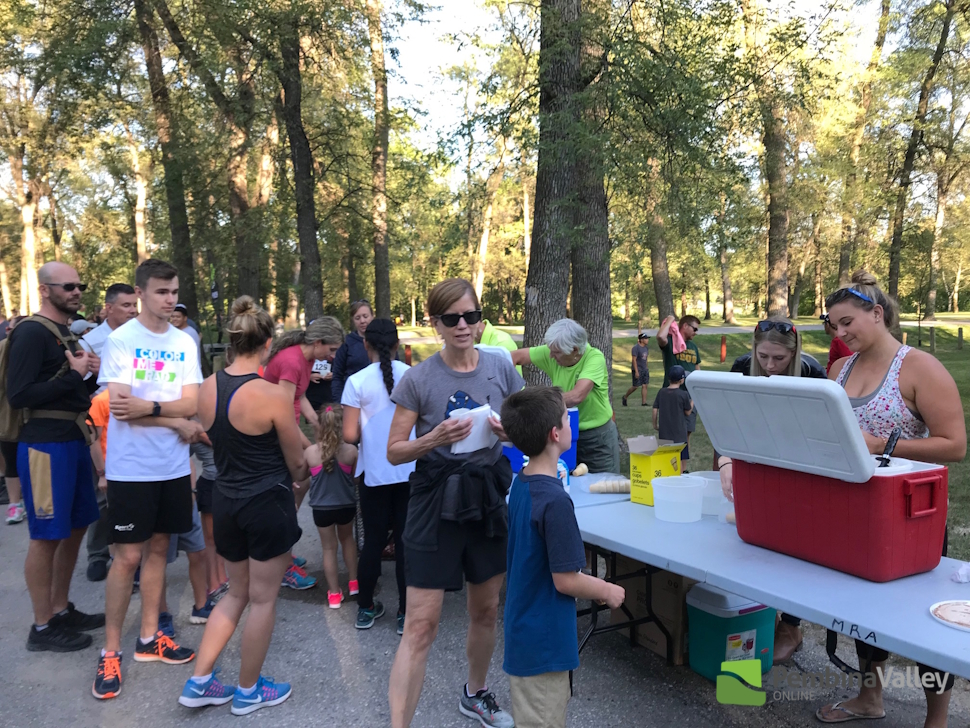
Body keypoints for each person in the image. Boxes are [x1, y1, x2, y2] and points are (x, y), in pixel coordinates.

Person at [815, 272, 966, 727]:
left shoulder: (919, 367)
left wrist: (882, 444)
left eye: (847, 323)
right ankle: (870, 697)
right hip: (856, 508)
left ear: (876, 314)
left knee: (923, 620)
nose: (840, 335)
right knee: (864, 608)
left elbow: (954, 446)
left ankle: (936, 718)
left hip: (912, 514)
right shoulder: (840, 369)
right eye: (833, 327)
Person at [386, 278, 523, 728]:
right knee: (421, 625)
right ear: (435, 324)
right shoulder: (418, 378)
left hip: (485, 495)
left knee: (485, 609)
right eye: (451, 318)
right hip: (434, 501)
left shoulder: (502, 369)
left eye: (470, 315)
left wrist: (511, 433)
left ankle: (476, 693)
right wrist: (433, 437)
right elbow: (393, 450)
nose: (463, 325)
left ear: (480, 319)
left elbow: (526, 426)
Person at [177, 295, 310, 715]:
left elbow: (215, 438)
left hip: (226, 498)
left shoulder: (208, 386)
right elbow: (294, 461)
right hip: (265, 502)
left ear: (232, 341)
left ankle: (199, 681)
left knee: (235, 594)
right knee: (264, 598)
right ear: (268, 344)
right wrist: (311, 464)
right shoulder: (270, 395)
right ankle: (249, 691)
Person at [93, 258, 206, 700]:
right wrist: (174, 420)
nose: (170, 299)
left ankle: (148, 639)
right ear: (141, 293)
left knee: (160, 549)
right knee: (126, 559)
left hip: (173, 467)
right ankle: (110, 651)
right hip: (131, 468)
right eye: (161, 291)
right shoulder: (122, 340)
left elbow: (190, 403)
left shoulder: (184, 342)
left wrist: (158, 411)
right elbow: (122, 408)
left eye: (174, 291)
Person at [501, 387, 625, 728]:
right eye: (565, 420)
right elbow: (566, 578)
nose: (571, 425)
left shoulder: (523, 484)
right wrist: (607, 590)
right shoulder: (555, 502)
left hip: (527, 630)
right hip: (543, 642)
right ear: (555, 434)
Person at [6, 261, 104, 653]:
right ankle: (42, 626)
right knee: (46, 535)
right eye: (68, 286)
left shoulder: (67, 331)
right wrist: (73, 375)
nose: (76, 291)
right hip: (45, 445)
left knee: (76, 526)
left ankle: (60, 608)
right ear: (45, 289)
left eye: (79, 284)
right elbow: (20, 394)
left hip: (73, 439)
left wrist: (88, 374)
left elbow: (72, 388)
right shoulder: (30, 332)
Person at [718, 316, 824, 664]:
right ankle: (762, 616)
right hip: (752, 464)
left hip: (798, 470)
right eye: (763, 356)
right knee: (753, 544)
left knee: (794, 550)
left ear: (795, 354)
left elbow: (824, 429)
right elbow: (725, 422)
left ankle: (790, 625)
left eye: (780, 359)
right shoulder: (741, 367)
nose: (770, 365)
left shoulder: (811, 372)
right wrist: (725, 462)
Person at [342, 318, 415, 634]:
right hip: (410, 470)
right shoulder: (412, 376)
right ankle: (405, 613)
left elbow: (348, 435)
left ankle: (365, 608)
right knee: (405, 543)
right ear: (398, 345)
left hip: (373, 472)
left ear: (365, 344)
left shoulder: (356, 381)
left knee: (372, 542)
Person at [263, 316, 345, 591]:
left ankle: (283, 549)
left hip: (287, 427)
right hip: (276, 433)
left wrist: (314, 421)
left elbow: (299, 396)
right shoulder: (291, 360)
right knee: (295, 485)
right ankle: (281, 561)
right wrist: (308, 446)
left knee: (298, 487)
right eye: (331, 350)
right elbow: (283, 412)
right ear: (318, 342)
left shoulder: (306, 358)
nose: (333, 356)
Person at [81, 283, 139, 582]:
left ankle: (133, 551)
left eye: (134, 305)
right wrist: (100, 371)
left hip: (137, 414)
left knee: (135, 488)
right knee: (103, 492)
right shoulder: (90, 340)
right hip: (103, 417)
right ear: (109, 307)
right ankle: (97, 553)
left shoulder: (142, 334)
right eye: (126, 306)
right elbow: (82, 384)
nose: (132, 310)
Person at [511, 319, 619, 474]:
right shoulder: (555, 351)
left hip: (596, 440)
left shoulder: (594, 358)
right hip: (564, 437)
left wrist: (535, 404)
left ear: (575, 350)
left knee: (603, 486)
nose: (550, 356)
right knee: (568, 486)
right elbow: (514, 356)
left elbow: (576, 396)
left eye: (556, 353)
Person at [303, 405, 359, 609]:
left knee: (328, 548)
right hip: (345, 504)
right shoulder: (351, 451)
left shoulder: (310, 453)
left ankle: (334, 594)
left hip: (321, 508)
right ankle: (354, 583)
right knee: (347, 540)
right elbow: (355, 479)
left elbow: (301, 476)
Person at [190, 438, 229, 601]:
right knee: (211, 538)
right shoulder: (193, 421)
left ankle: (222, 578)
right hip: (211, 484)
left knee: (222, 536)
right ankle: (213, 585)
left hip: (229, 482)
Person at [654, 315, 701, 447]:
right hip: (672, 395)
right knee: (670, 434)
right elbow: (660, 337)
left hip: (689, 396)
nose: (696, 333)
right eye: (695, 329)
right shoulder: (671, 342)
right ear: (685, 326)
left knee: (687, 432)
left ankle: (683, 465)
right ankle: (669, 463)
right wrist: (669, 319)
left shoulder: (693, 347)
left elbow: (697, 368)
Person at [3, 315, 27, 524]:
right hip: (7, 414)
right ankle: (14, 503)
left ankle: (29, 501)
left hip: (32, 415)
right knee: (11, 459)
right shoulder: (3, 349)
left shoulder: (35, 349)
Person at [331, 299, 375, 403]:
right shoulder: (346, 342)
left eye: (365, 316)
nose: (362, 321)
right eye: (357, 318)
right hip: (352, 399)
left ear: (372, 316)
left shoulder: (383, 339)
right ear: (353, 320)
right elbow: (337, 375)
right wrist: (339, 401)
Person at [652, 365, 693, 469]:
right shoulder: (683, 394)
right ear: (681, 380)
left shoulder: (661, 392)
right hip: (679, 435)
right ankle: (681, 475)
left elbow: (655, 409)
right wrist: (693, 400)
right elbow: (688, 412)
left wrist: (655, 424)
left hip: (664, 434)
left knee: (666, 461)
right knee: (681, 461)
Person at [622, 332, 650, 407]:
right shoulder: (636, 348)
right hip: (638, 369)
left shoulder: (646, 348)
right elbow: (634, 360)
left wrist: (646, 368)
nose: (647, 340)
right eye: (646, 339)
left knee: (645, 385)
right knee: (636, 386)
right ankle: (625, 397)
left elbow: (646, 359)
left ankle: (644, 403)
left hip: (644, 369)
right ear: (641, 340)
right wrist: (636, 371)